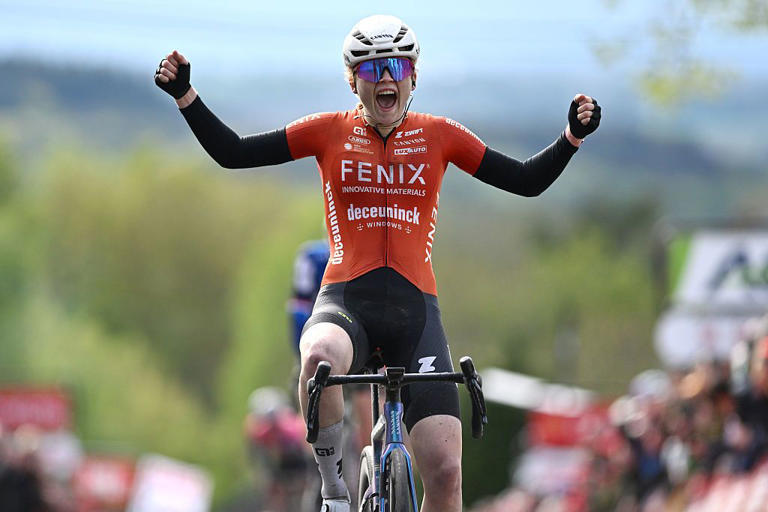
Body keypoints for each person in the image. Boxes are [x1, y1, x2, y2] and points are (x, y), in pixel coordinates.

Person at [155, 14, 601, 512]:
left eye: (396, 66)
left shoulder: (440, 135)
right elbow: (233, 152)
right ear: (353, 81)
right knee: (319, 357)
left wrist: (571, 137)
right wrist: (186, 98)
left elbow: (525, 180)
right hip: (347, 300)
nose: (385, 77)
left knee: (448, 473)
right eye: (371, 70)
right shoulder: (327, 131)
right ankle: (333, 491)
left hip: (416, 314)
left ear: (413, 75)